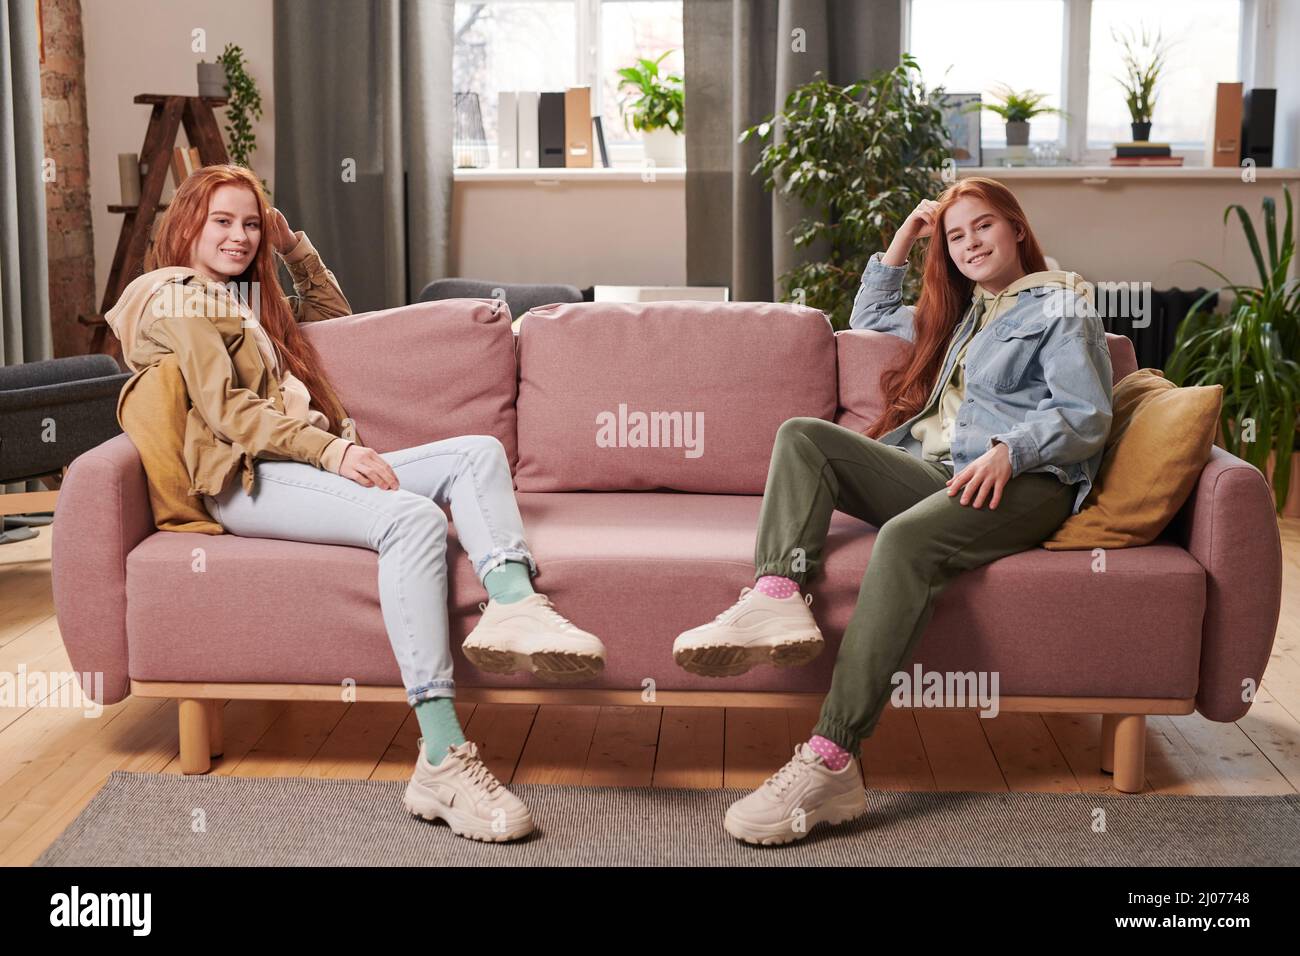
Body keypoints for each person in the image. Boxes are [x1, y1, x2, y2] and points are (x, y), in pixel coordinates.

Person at [105, 163, 606, 843]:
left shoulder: (240, 301)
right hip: (251, 480)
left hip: (299, 464)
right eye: (222, 221)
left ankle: (515, 606)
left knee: (476, 453)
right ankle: (442, 755)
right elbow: (227, 411)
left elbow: (336, 321)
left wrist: (291, 247)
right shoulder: (178, 296)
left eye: (250, 223)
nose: (239, 236)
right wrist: (334, 453)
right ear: (185, 223)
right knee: (414, 519)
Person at [672, 177, 1114, 844]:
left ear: (1016, 229)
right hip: (940, 471)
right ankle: (776, 592)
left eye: (983, 227)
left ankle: (831, 759)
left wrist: (1011, 450)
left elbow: (1087, 417)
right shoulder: (970, 314)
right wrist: (907, 238)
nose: (970, 245)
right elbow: (871, 318)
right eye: (957, 236)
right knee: (803, 437)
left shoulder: (1061, 308)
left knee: (905, 540)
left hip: (1027, 482)